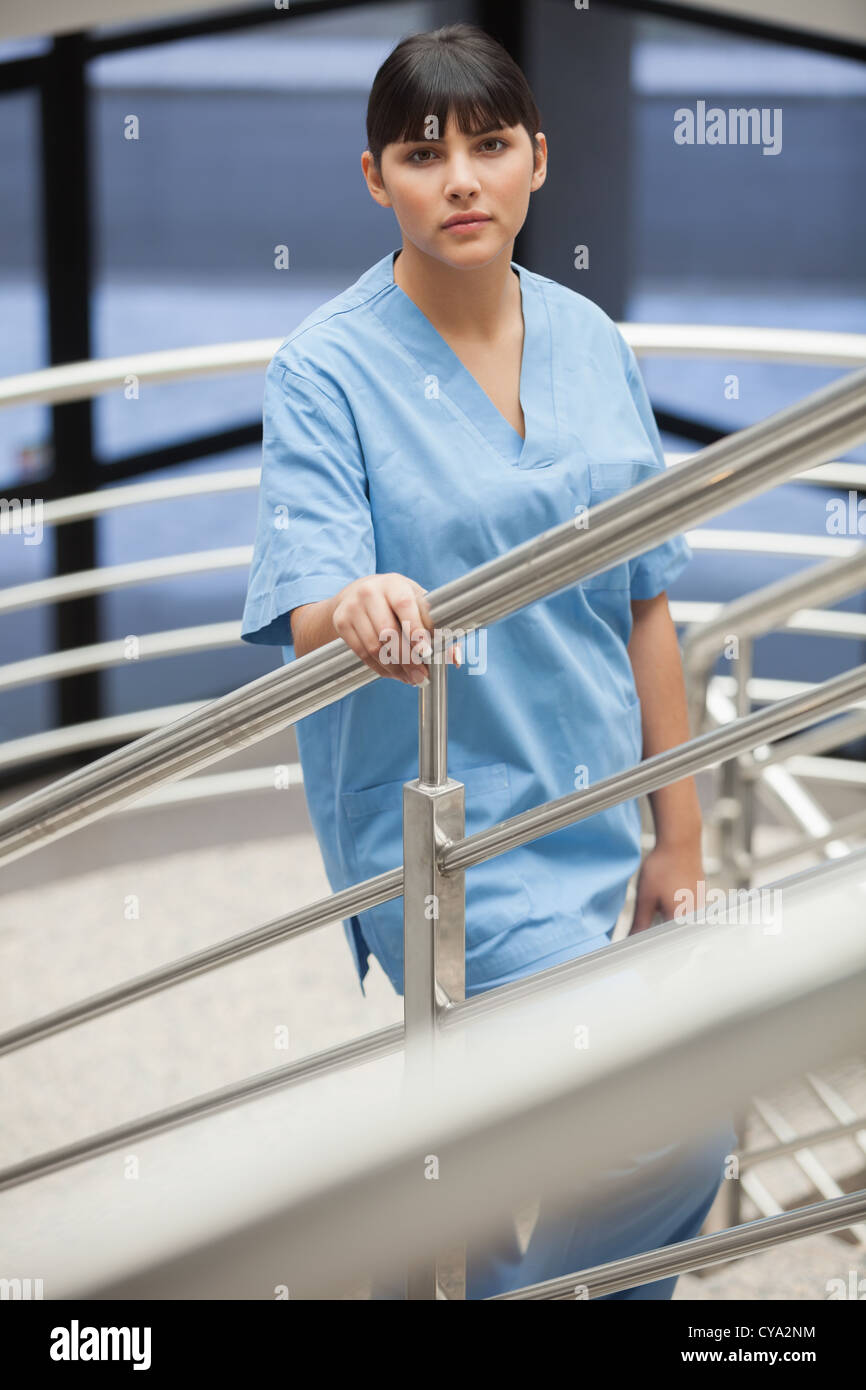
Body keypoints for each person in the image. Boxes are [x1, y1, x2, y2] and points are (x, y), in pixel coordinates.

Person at [240, 21, 736, 1299]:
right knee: (662, 1119)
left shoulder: (590, 343)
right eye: (421, 152)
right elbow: (308, 605)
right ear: (374, 180)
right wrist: (360, 601)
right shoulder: (324, 371)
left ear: (536, 164)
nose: (457, 178)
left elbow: (645, 606)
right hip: (447, 843)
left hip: (601, 817)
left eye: (488, 145)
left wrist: (677, 842)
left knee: (615, 1134)